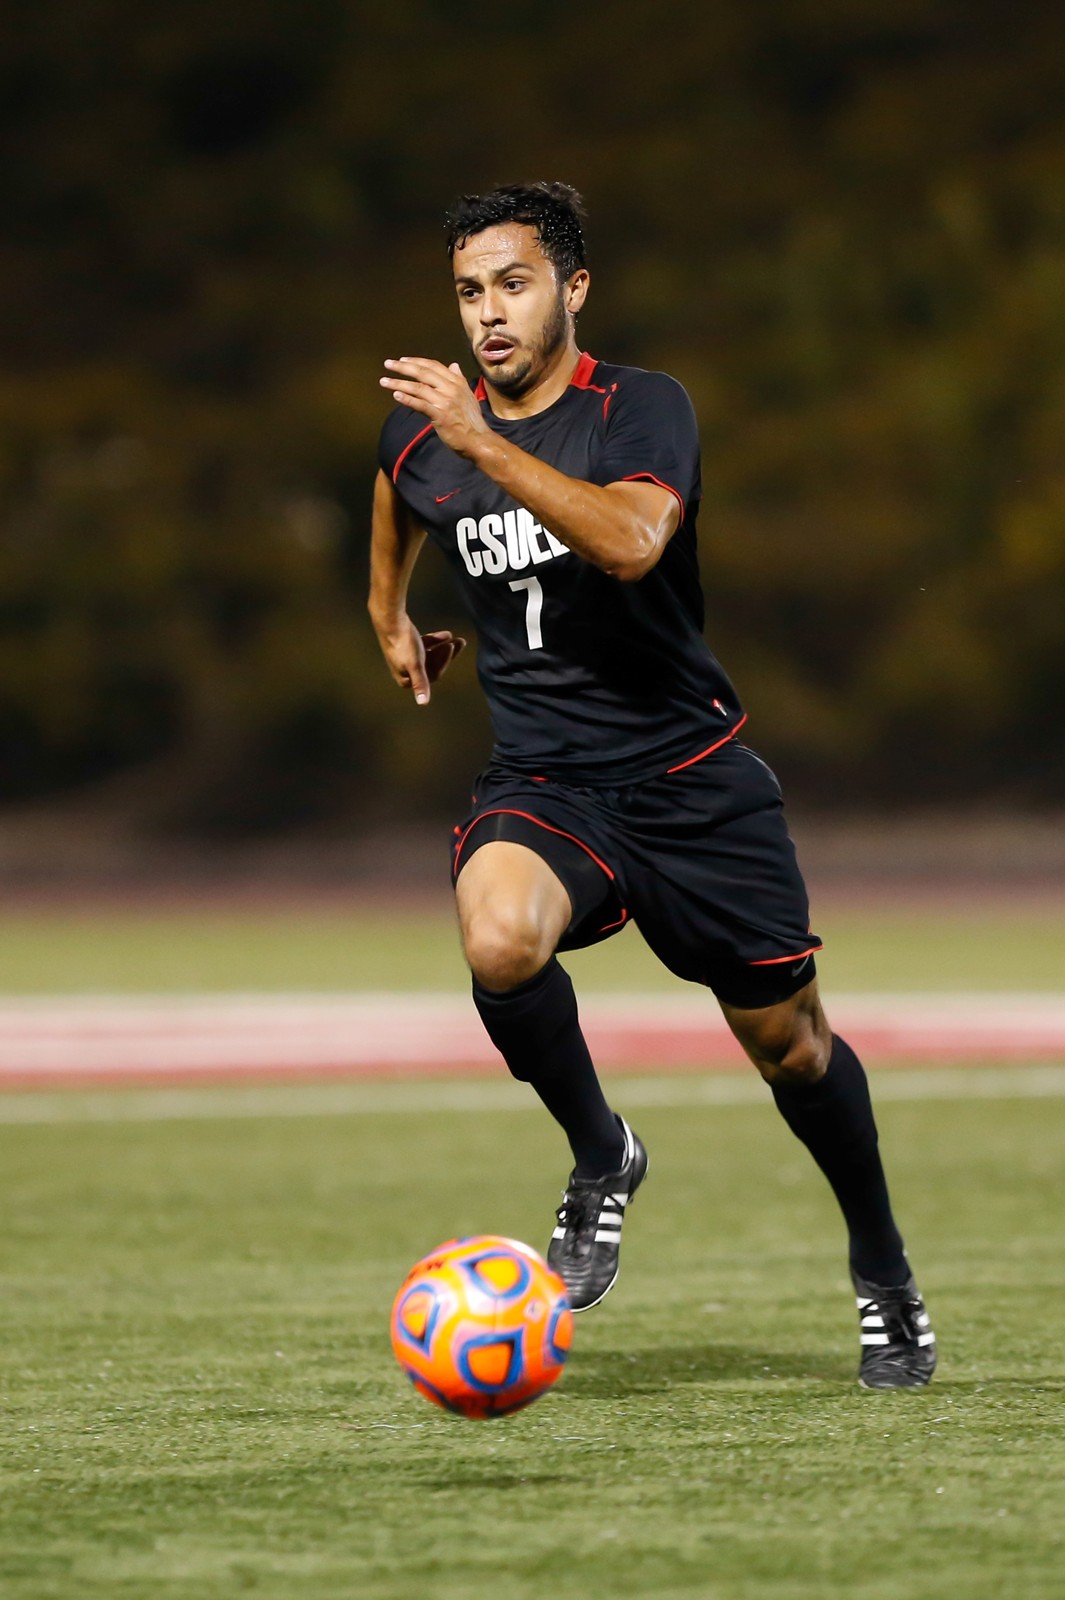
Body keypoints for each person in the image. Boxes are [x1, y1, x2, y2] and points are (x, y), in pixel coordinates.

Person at [369, 181, 935, 1389]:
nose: (488, 314)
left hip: (690, 781)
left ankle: (882, 1265)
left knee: (792, 1049)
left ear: (573, 290)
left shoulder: (641, 409)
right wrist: (388, 619)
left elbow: (629, 543)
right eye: (469, 291)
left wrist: (485, 442)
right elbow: (396, 491)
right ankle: (601, 1151)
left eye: (513, 284)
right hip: (545, 782)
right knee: (499, 940)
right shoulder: (428, 431)